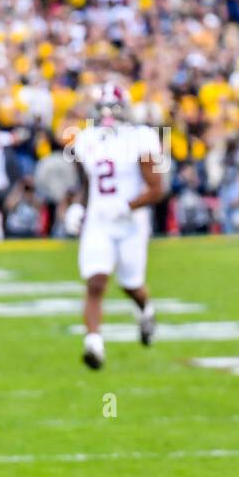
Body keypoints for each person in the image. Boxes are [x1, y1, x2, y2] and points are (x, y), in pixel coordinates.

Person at [65, 84, 165, 370]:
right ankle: (93, 343)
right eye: (103, 109)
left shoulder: (142, 138)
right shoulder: (86, 139)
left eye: (113, 108)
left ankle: (145, 309)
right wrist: (78, 206)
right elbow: (86, 183)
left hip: (131, 223)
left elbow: (157, 189)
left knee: (131, 284)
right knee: (96, 281)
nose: (108, 115)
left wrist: (127, 206)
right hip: (98, 221)